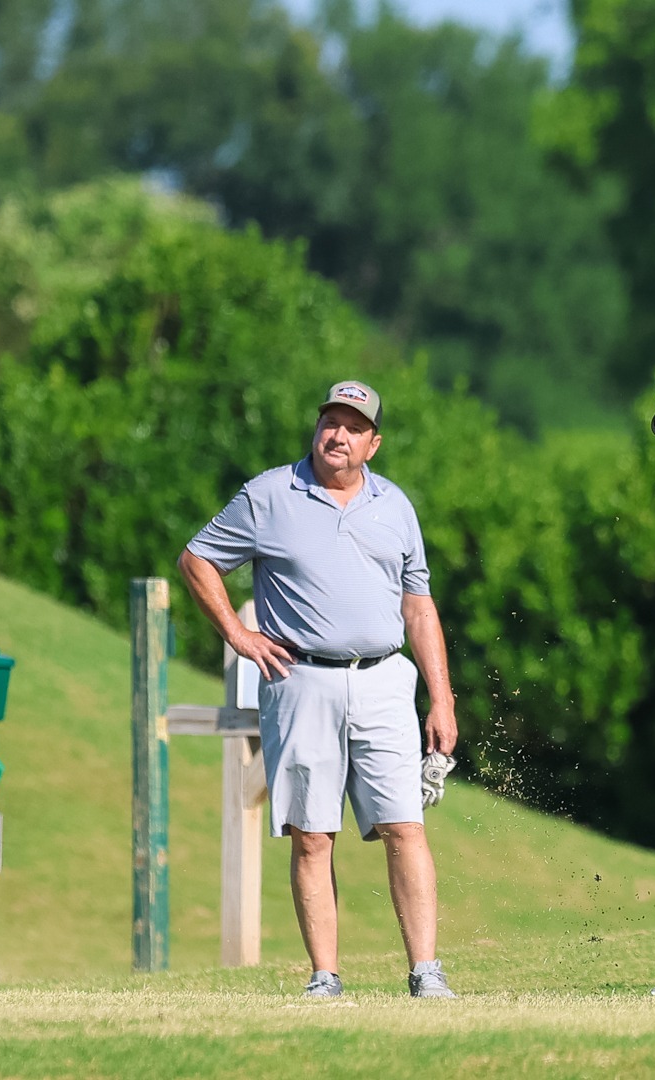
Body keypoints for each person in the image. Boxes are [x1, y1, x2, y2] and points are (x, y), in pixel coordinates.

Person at [177, 380, 458, 1000]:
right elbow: (197, 560)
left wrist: (442, 697)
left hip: (384, 678)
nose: (338, 435)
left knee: (404, 825)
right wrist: (240, 636)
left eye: (354, 427)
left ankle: (426, 972)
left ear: (373, 443)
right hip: (299, 680)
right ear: (317, 429)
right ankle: (325, 976)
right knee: (311, 834)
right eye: (330, 422)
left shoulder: (396, 506)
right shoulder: (269, 495)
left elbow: (419, 607)